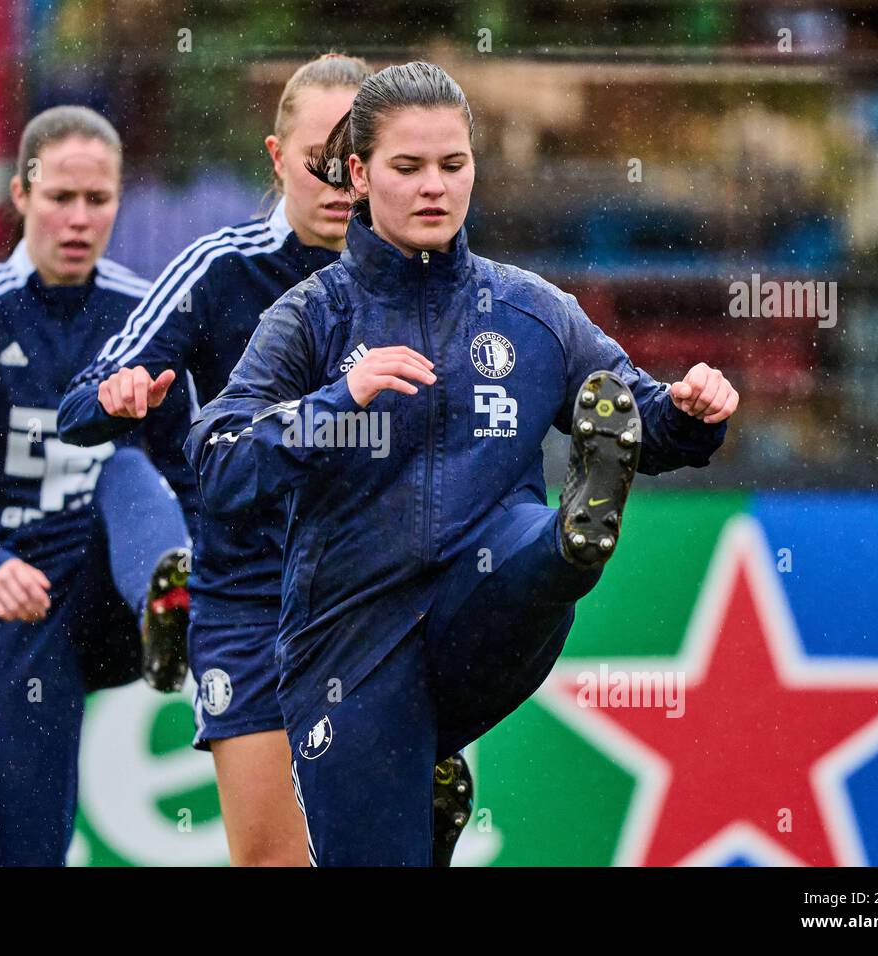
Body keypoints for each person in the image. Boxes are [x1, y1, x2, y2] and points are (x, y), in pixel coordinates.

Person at [184, 62, 740, 866]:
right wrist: (337, 403)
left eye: (453, 164)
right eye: (408, 166)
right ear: (358, 174)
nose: (434, 187)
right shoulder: (310, 316)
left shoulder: (532, 311)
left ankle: (569, 544)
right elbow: (218, 461)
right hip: (350, 646)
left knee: (528, 537)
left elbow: (642, 417)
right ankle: (423, 793)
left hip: (488, 606)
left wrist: (690, 412)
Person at [60, 54, 473, 866]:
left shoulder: (433, 272)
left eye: (352, 159)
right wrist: (115, 397)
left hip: (377, 598)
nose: (337, 180)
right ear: (277, 157)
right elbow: (79, 405)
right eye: (318, 159)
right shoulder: (220, 268)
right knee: (271, 859)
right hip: (248, 595)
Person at [0, 106, 193, 866]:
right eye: (61, 197)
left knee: (127, 467)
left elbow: (189, 469)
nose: (79, 218)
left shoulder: (145, 313)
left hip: (109, 587)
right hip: (12, 595)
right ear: (20, 194)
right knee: (25, 840)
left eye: (98, 199)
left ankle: (176, 607)